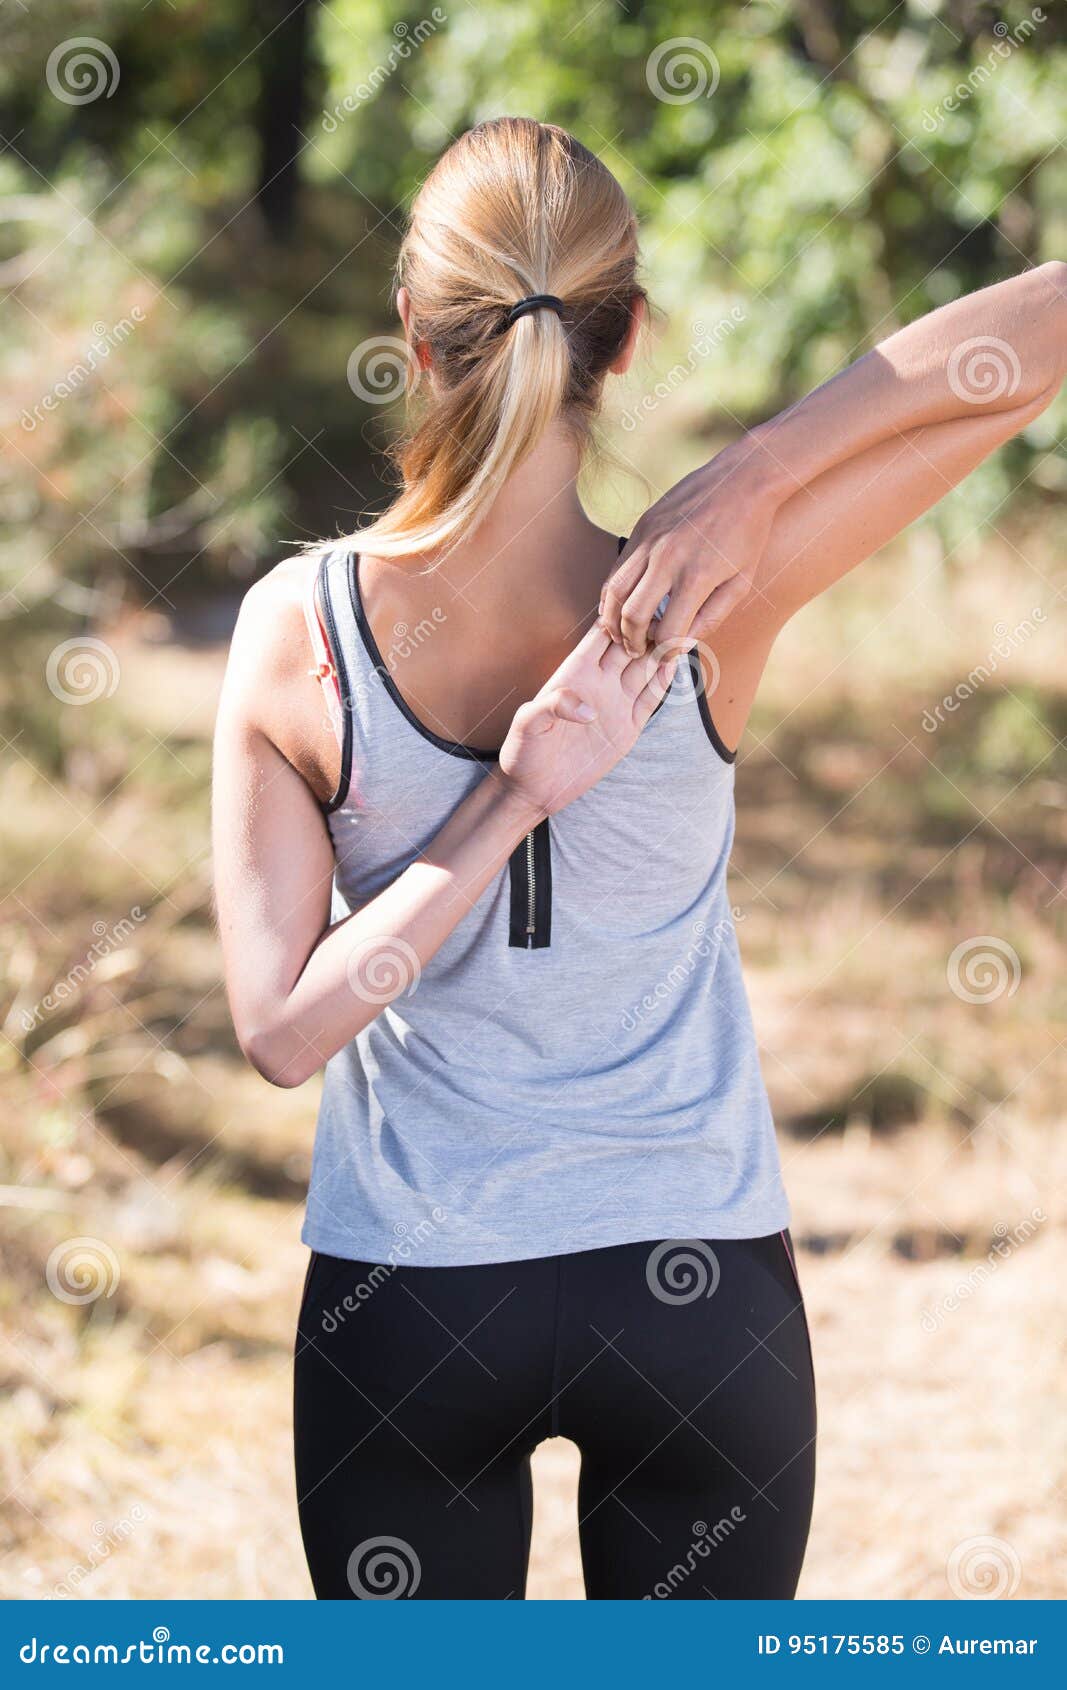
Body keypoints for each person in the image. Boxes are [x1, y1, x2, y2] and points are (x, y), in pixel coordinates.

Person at [212, 117, 1065, 1599]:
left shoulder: (298, 630)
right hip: (699, 1305)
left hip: (411, 1313)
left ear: (413, 330)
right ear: (630, 340)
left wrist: (488, 811)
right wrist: (764, 471)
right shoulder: (716, 588)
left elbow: (284, 1031)